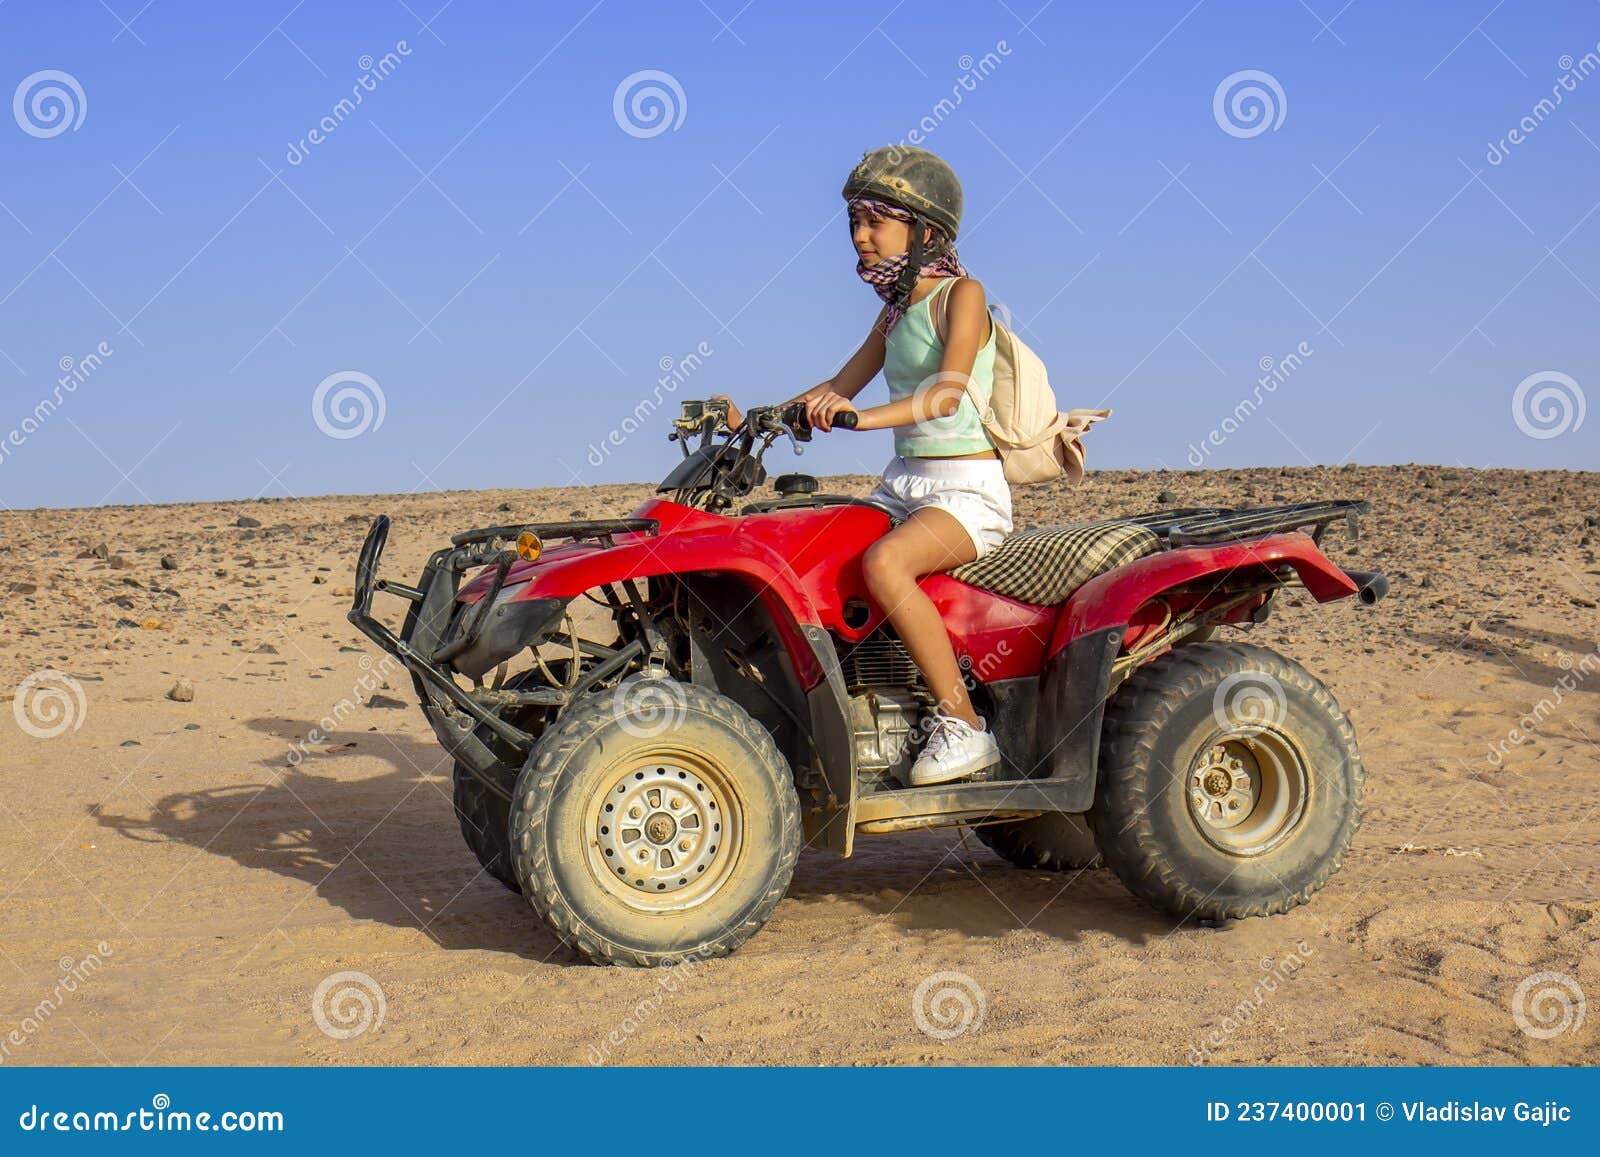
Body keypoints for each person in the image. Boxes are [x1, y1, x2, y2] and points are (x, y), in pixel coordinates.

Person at [715, 145, 1011, 786]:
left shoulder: (963, 295)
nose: (860, 236)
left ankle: (966, 726)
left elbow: (946, 393)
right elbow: (839, 383)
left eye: (876, 221)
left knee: (885, 563)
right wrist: (760, 417)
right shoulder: (894, 312)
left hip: (965, 489)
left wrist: (859, 420)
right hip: (906, 486)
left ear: (925, 230)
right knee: (815, 550)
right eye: (855, 222)